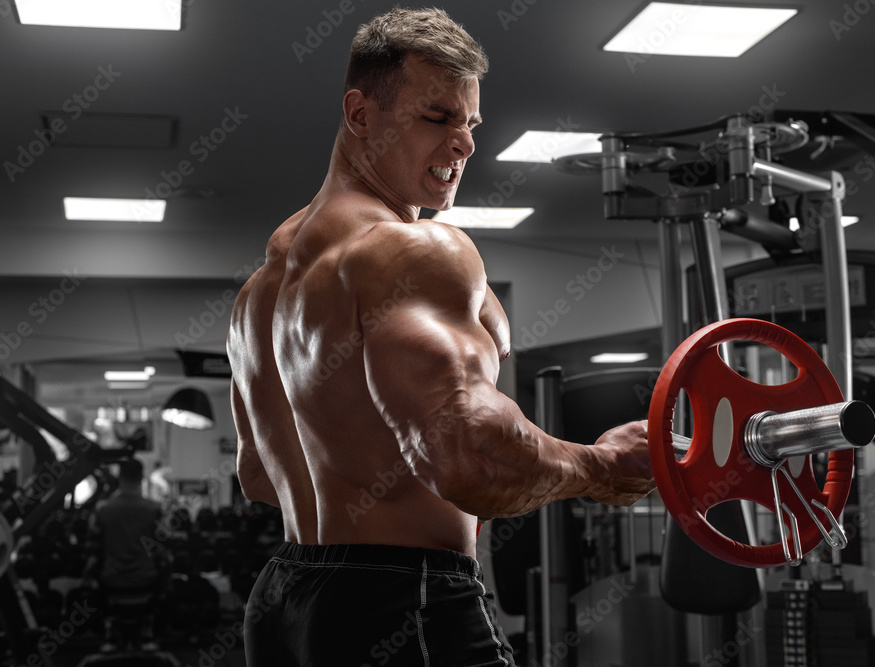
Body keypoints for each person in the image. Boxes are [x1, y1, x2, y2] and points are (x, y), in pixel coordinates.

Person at [226, 8, 655, 666]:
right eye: (437, 117)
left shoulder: (262, 288)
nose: (464, 144)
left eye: (470, 124)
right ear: (360, 113)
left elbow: (258, 474)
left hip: (286, 600)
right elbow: (469, 459)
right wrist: (601, 468)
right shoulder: (413, 251)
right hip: (403, 603)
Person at [85, 458, 165, 651]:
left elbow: (92, 551)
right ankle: (146, 632)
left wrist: (86, 579)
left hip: (112, 581)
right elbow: (162, 551)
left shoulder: (102, 509)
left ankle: (111, 633)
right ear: (141, 478)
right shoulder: (153, 509)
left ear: (119, 477)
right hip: (145, 581)